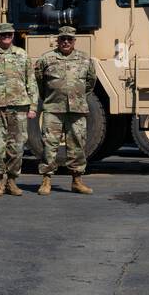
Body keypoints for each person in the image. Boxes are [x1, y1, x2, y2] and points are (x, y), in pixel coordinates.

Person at [0, 23, 38, 196]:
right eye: (3, 35)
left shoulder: (22, 55)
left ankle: (12, 180)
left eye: (9, 34)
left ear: (13, 35)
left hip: (19, 108)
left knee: (17, 147)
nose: (6, 37)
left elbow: (31, 81)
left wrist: (33, 106)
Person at [33, 26, 97, 195]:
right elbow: (39, 82)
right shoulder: (46, 59)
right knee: (49, 145)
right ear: (58, 40)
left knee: (77, 145)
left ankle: (77, 181)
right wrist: (52, 96)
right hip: (53, 109)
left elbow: (90, 82)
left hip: (77, 109)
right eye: (63, 39)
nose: (66, 42)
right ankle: (46, 180)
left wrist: (76, 95)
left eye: (69, 39)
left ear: (74, 41)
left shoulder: (85, 59)